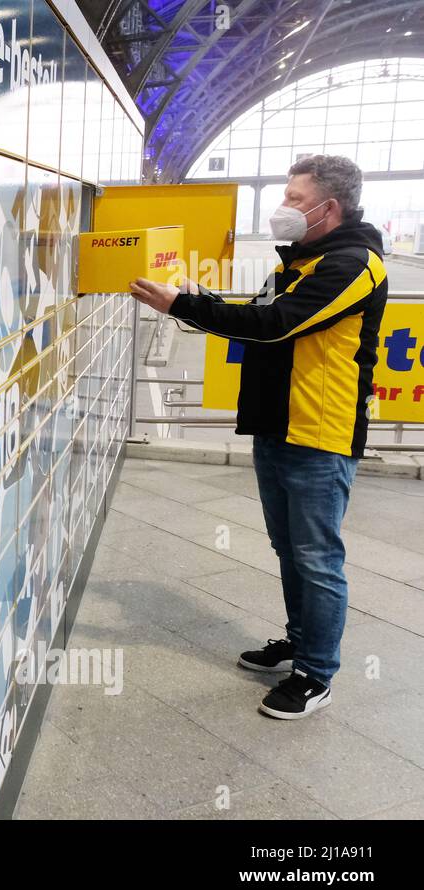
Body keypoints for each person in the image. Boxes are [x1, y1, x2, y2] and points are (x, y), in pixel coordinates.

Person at [129, 154, 388, 720]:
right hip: (276, 425)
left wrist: (185, 305)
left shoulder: (354, 265)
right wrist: (202, 304)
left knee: (317, 556)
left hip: (320, 432)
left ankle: (316, 674)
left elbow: (277, 326)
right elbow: (259, 316)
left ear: (330, 207)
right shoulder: (299, 262)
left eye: (296, 199)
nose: (284, 208)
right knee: (288, 548)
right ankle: (300, 641)